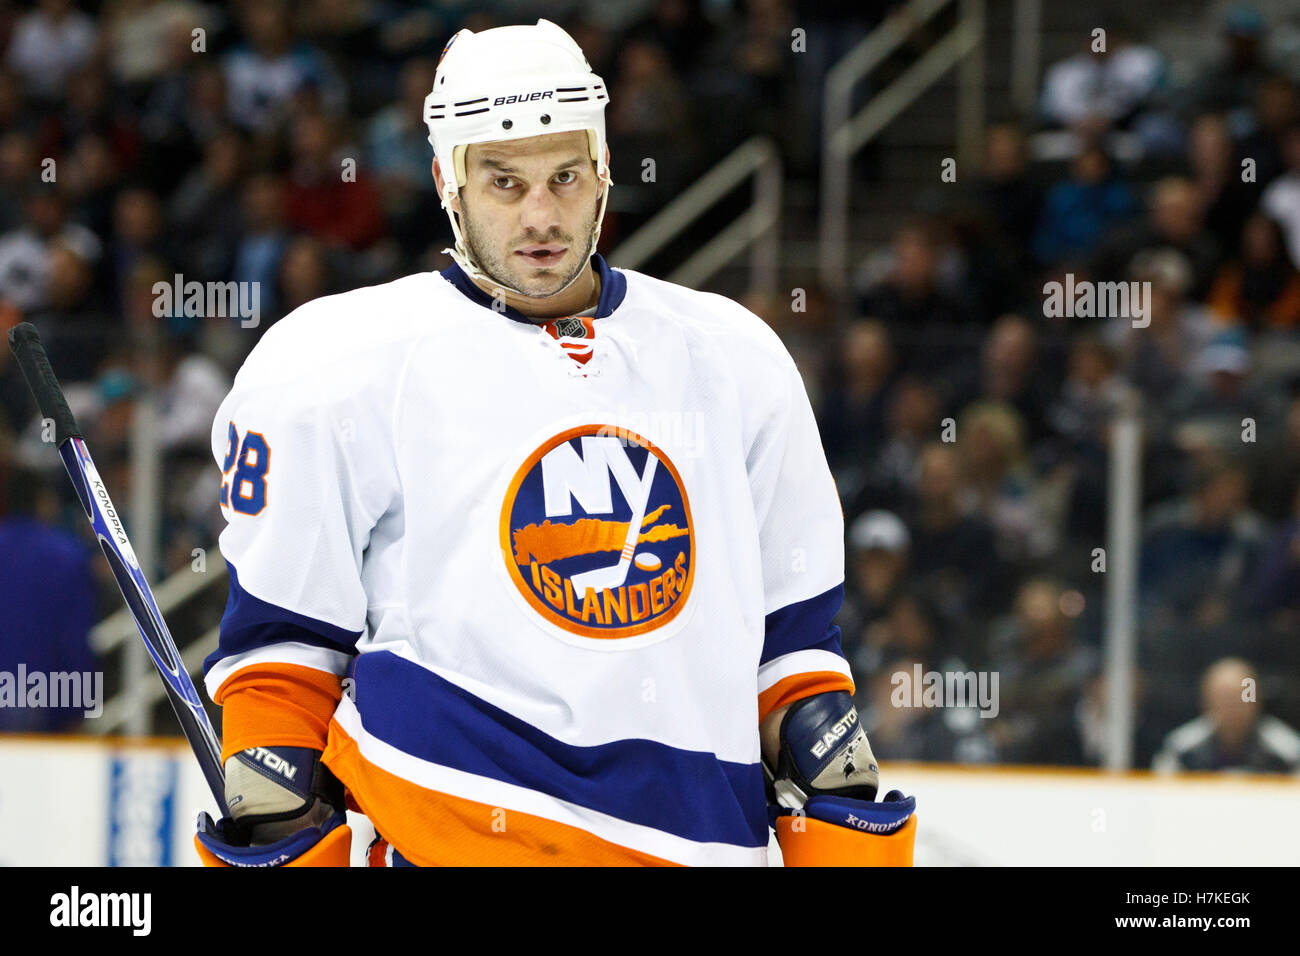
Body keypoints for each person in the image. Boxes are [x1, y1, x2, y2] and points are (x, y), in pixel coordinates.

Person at [194, 20, 916, 869]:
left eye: (564, 177)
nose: (541, 216)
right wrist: (272, 811)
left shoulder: (733, 358)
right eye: (504, 182)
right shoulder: (339, 365)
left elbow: (797, 669)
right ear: (446, 181)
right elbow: (284, 660)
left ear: (604, 168)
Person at [1153, 658, 1300, 774]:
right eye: (1224, 698)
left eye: (1240, 698)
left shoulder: (1288, 752)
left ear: (1257, 701)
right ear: (1206, 701)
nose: (1233, 707)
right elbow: (1161, 794)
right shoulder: (1181, 749)